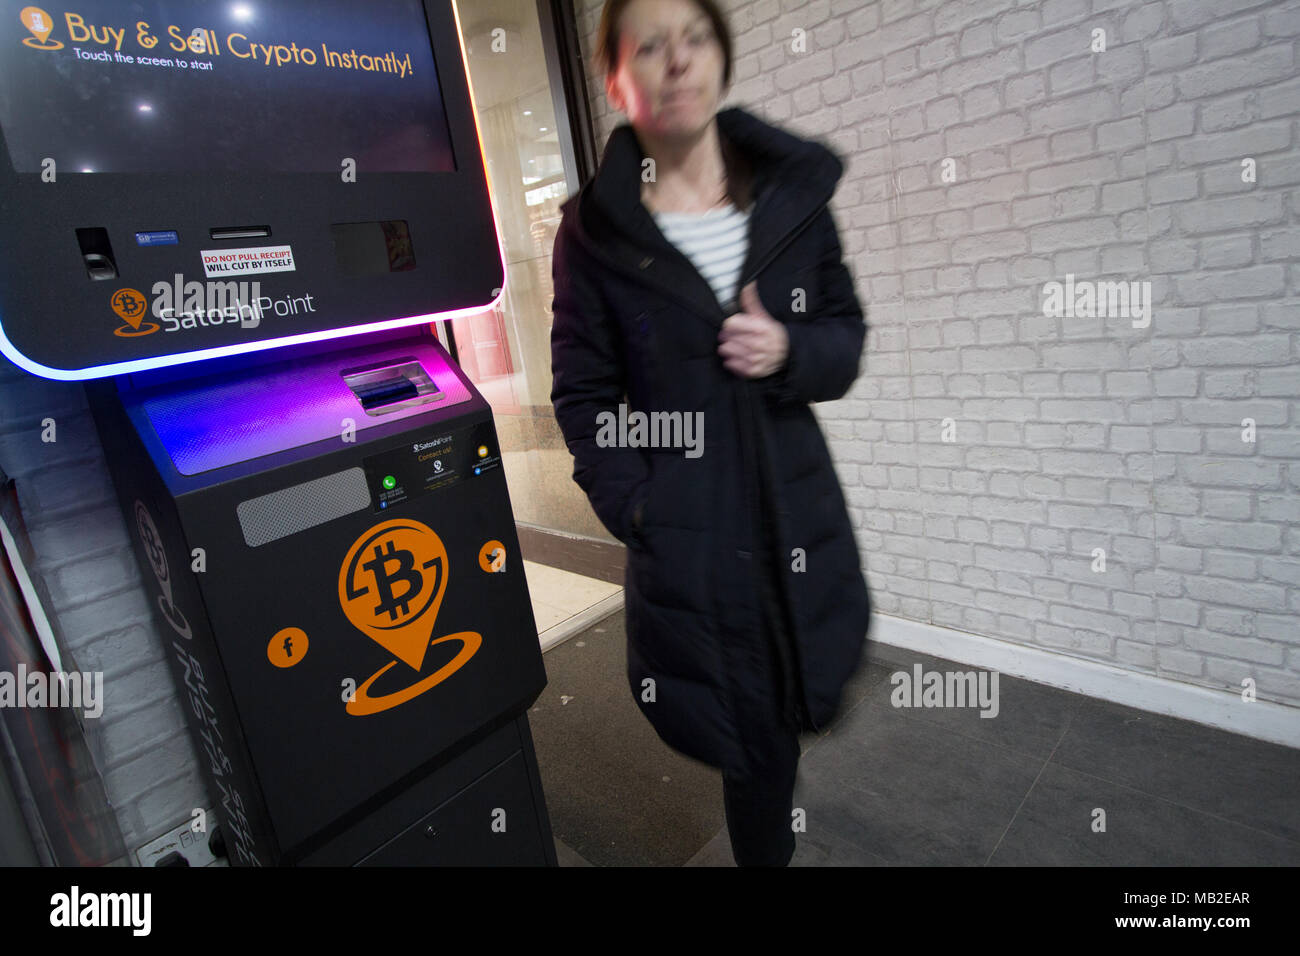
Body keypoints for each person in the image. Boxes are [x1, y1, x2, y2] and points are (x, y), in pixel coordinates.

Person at [549, 0, 871, 867]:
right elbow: (584, 395)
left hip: (797, 520)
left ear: (721, 58)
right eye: (648, 47)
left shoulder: (792, 197)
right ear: (617, 80)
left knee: (793, 711)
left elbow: (845, 342)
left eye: (694, 39)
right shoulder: (595, 234)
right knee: (750, 745)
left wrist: (790, 349)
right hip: (693, 539)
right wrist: (641, 508)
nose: (678, 61)